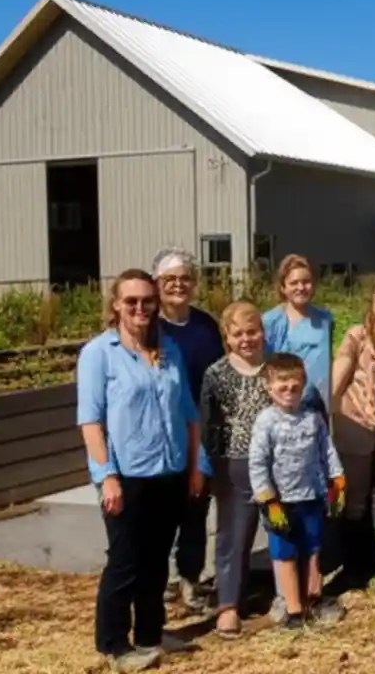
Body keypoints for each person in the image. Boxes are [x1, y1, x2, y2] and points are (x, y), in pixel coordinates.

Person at [78, 269, 205, 672]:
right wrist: (106, 475)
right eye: (130, 301)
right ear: (115, 304)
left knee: (156, 561)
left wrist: (195, 465)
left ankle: (150, 634)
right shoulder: (100, 353)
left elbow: (188, 412)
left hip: (169, 472)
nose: (139, 309)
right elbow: (91, 421)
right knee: (126, 561)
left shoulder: (169, 350)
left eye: (146, 301)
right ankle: (114, 644)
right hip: (127, 477)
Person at [249, 353, 346, 630]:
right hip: (281, 502)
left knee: (313, 549)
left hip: (311, 497)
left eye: (295, 386)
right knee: (285, 555)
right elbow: (257, 464)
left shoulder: (313, 418)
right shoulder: (266, 421)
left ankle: (313, 598)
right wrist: (268, 500)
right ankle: (293, 609)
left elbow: (327, 451)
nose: (289, 392)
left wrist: (337, 480)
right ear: (269, 387)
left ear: (303, 385)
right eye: (282, 386)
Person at [151, 247, 224, 613]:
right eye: (169, 280)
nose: (178, 285)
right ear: (157, 285)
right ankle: (161, 580)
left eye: (184, 278)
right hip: (163, 433)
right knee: (162, 510)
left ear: (193, 284)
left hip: (202, 431)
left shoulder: (206, 327)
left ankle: (191, 579)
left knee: (196, 508)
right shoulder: (149, 328)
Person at [200, 302, 274, 639]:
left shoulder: (277, 368)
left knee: (282, 529)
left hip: (275, 464)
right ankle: (228, 605)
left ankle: (289, 595)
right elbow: (206, 425)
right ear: (227, 338)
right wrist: (208, 466)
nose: (247, 339)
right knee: (233, 535)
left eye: (253, 331)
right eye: (238, 334)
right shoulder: (215, 375)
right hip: (233, 464)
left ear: (263, 332)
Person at [330, 279, 375, 586]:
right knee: (355, 500)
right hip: (354, 422)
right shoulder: (357, 337)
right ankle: (354, 567)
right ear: (372, 304)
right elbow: (339, 376)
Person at [262, 254, 333, 414]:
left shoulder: (326, 319)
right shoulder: (271, 322)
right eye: (294, 283)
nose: (301, 287)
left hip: (319, 407)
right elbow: (264, 367)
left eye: (306, 282)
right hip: (283, 405)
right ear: (283, 287)